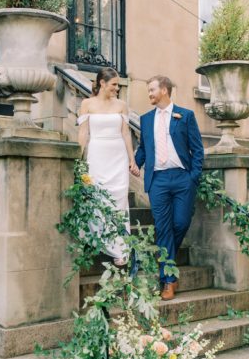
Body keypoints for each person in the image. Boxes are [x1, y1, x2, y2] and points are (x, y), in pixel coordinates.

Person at [131, 75, 204, 300]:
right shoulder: (145, 119)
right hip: (158, 180)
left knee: (180, 223)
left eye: (152, 89)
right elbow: (144, 148)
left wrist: (193, 177)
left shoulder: (186, 115)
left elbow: (198, 149)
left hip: (183, 178)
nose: (149, 94)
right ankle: (168, 280)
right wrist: (136, 162)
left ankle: (166, 258)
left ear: (164, 90)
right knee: (163, 229)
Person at [77, 67, 136, 266]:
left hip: (117, 155)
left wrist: (131, 159)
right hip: (97, 154)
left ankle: (119, 248)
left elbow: (126, 133)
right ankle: (96, 240)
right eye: (114, 84)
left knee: (118, 200)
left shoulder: (121, 105)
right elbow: (83, 132)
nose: (117, 88)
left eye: (118, 85)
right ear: (102, 83)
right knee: (98, 196)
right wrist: (79, 159)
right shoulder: (87, 104)